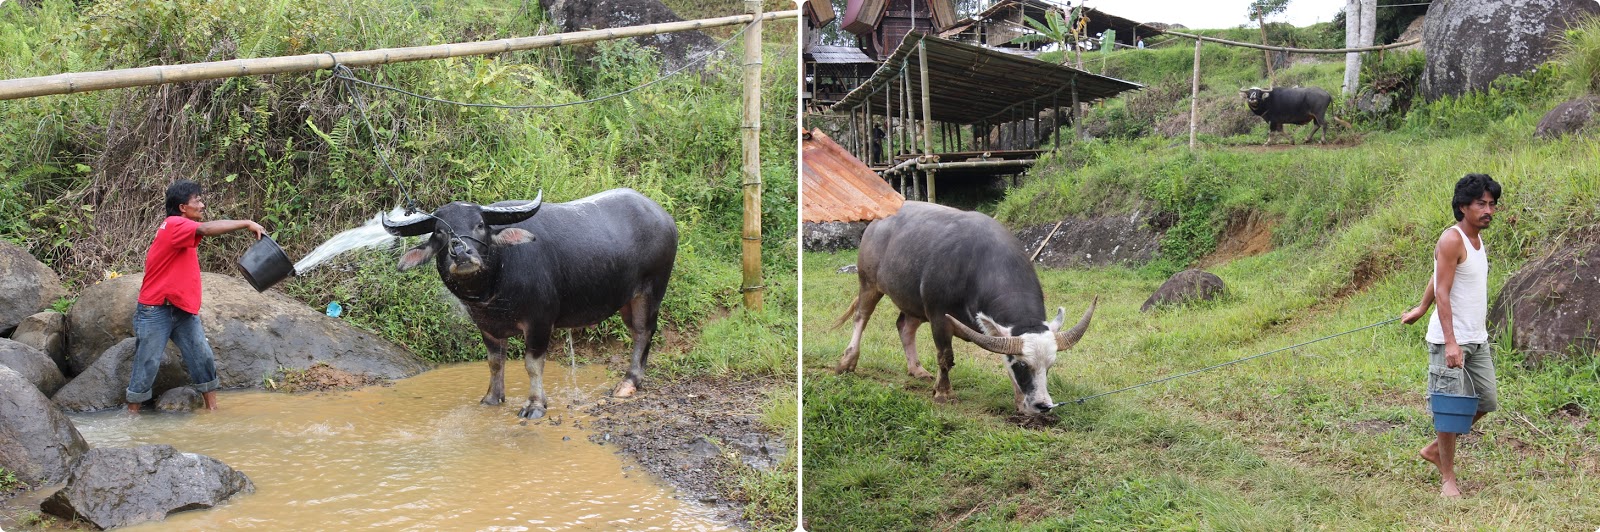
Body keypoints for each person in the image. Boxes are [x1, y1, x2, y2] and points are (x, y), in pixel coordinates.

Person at [1400, 173, 1502, 498]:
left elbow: (1438, 279)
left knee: (1486, 400)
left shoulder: (1477, 239)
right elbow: (1443, 291)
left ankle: (1434, 450)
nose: (1488, 210)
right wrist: (1452, 342)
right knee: (1449, 408)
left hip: (1477, 338)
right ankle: (1447, 478)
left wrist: (1419, 307)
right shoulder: (1452, 239)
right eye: (1481, 204)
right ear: (1463, 206)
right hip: (1450, 340)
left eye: (1492, 204)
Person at [126, 180, 265, 413]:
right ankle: (131, 417)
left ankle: (213, 410)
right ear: (182, 207)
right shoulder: (173, 224)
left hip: (182, 310)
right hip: (155, 309)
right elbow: (206, 229)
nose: (202, 204)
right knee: (147, 362)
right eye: (197, 200)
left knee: (202, 355)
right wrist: (247, 223)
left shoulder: (181, 229)